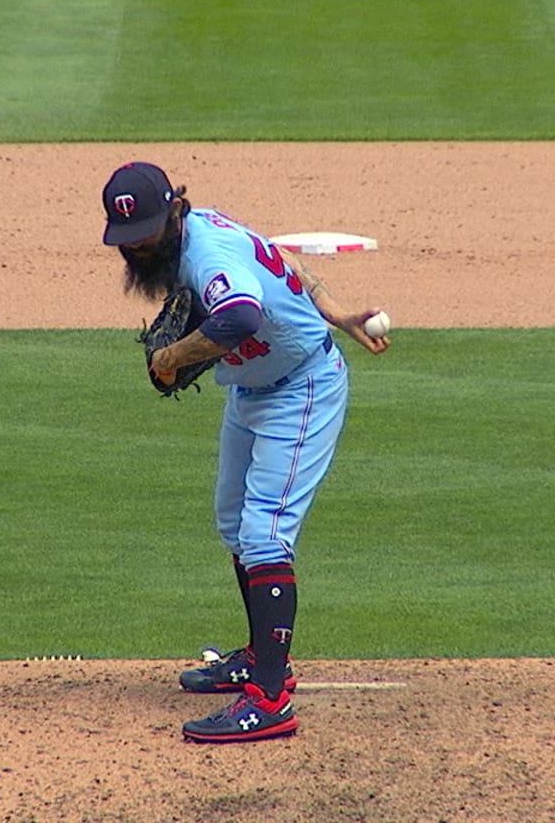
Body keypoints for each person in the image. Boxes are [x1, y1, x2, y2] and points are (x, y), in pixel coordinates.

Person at [100, 161, 390, 743]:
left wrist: (171, 357)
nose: (137, 248)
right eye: (127, 239)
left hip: (301, 388)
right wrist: (335, 310)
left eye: (146, 234)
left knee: (265, 533)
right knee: (234, 523)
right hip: (252, 387)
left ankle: (270, 698)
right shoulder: (206, 228)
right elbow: (285, 264)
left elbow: (241, 314)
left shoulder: (209, 255)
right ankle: (260, 655)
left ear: (175, 211)